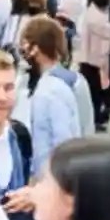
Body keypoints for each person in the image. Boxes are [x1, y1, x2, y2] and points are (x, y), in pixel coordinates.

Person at [19, 16, 82, 173]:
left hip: (52, 180)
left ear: (36, 48)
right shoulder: (62, 83)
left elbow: (62, 143)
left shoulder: (49, 91)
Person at [78, 0, 110, 131]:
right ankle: (96, 119)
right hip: (97, 64)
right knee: (96, 95)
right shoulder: (100, 23)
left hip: (89, 61)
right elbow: (106, 51)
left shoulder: (92, 11)